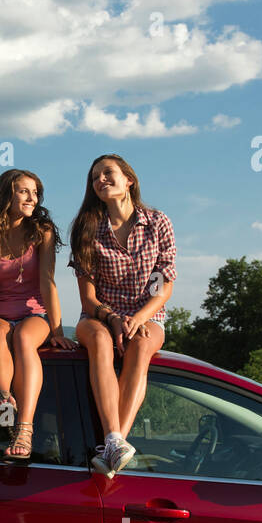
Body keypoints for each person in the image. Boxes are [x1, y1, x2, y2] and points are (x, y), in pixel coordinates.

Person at [69, 154, 177, 476]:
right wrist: (112, 318)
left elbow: (165, 287)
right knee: (101, 342)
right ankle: (114, 439)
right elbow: (88, 298)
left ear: (129, 179)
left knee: (141, 346)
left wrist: (139, 319)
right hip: (98, 316)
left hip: (146, 314)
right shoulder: (87, 230)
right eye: (94, 178)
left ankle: (114, 444)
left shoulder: (157, 223)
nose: (100, 180)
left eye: (107, 173)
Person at [0, 169, 76, 459]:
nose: (32, 198)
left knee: (24, 338)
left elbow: (47, 281)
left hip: (34, 312)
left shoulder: (42, 232)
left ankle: (24, 428)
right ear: (6, 194)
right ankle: (3, 400)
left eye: (35, 192)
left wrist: (58, 331)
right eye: (24, 191)